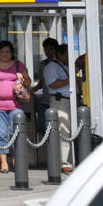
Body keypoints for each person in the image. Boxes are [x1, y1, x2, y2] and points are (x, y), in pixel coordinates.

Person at [0, 41, 30, 173]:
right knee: (1, 134)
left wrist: (23, 78)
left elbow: (28, 81)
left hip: (16, 105)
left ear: (12, 53)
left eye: (7, 51)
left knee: (17, 132)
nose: (5, 54)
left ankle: (16, 159)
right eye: (2, 51)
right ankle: (4, 163)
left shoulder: (19, 65)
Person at [40, 43, 75, 173]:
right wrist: (70, 79)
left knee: (69, 130)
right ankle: (64, 162)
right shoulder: (52, 67)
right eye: (66, 55)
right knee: (63, 130)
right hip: (59, 100)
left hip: (68, 100)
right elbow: (52, 84)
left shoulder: (65, 66)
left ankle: (70, 159)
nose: (68, 58)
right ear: (59, 54)